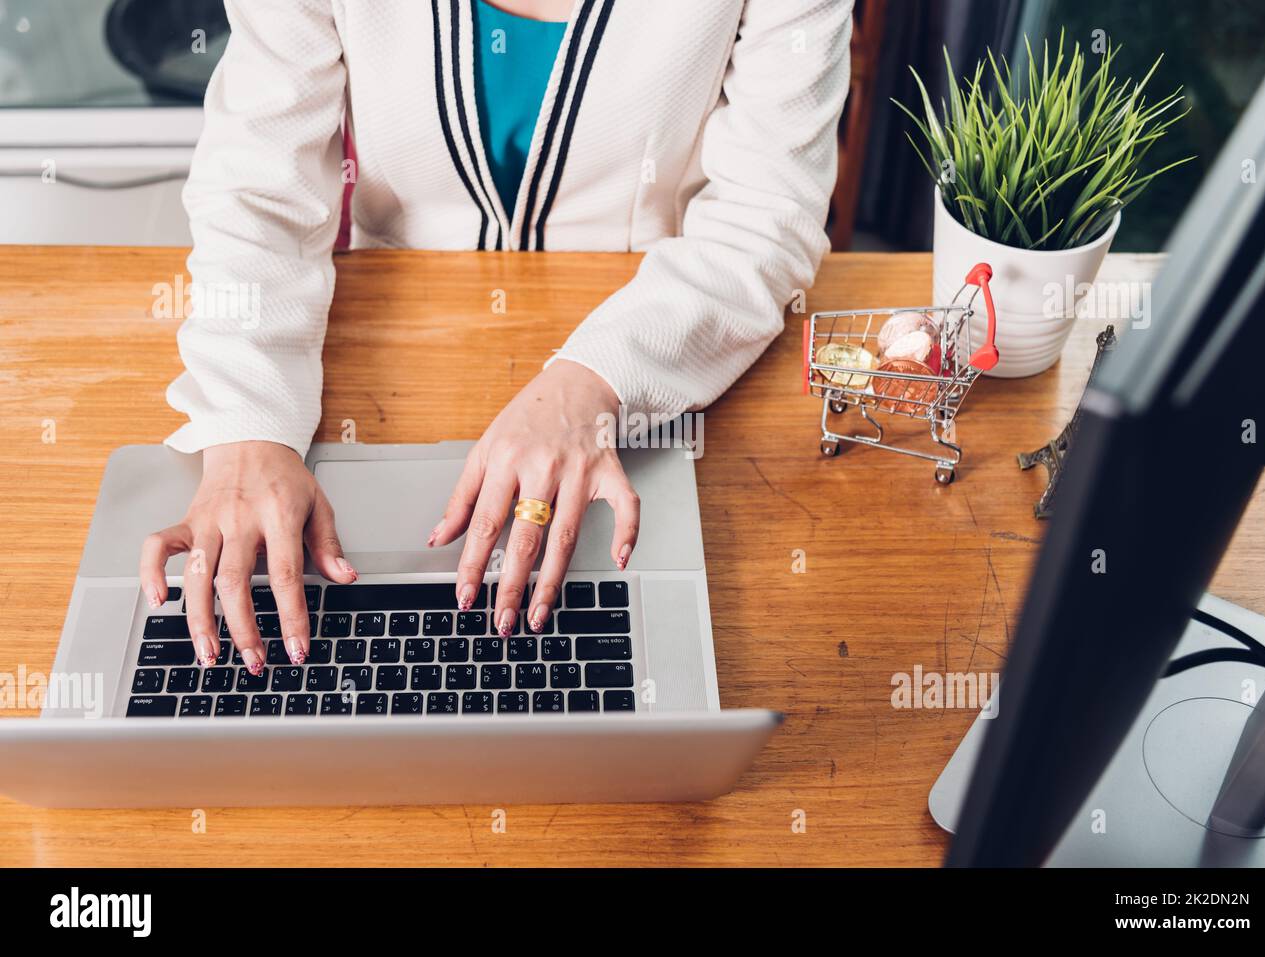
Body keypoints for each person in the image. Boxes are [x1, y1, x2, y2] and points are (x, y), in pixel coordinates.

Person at [138, 0, 852, 674]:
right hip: (385, 364)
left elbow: (766, 216)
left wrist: (594, 382)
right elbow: (257, 190)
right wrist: (249, 426)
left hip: (663, 354)